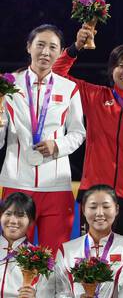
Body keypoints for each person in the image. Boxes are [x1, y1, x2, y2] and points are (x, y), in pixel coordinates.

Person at [55, 29, 123, 240]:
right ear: (111, 69)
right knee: (91, 266)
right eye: (120, 65)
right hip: (94, 196)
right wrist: (75, 49)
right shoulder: (95, 96)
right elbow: (56, 77)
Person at [0, 24, 85, 256]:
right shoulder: (7, 85)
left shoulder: (69, 88)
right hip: (16, 182)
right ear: (29, 47)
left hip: (56, 186)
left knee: (54, 258)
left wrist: (56, 146)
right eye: (40, 45)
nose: (45, 52)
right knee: (13, 256)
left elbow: (79, 133)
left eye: (52, 47)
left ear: (59, 53)